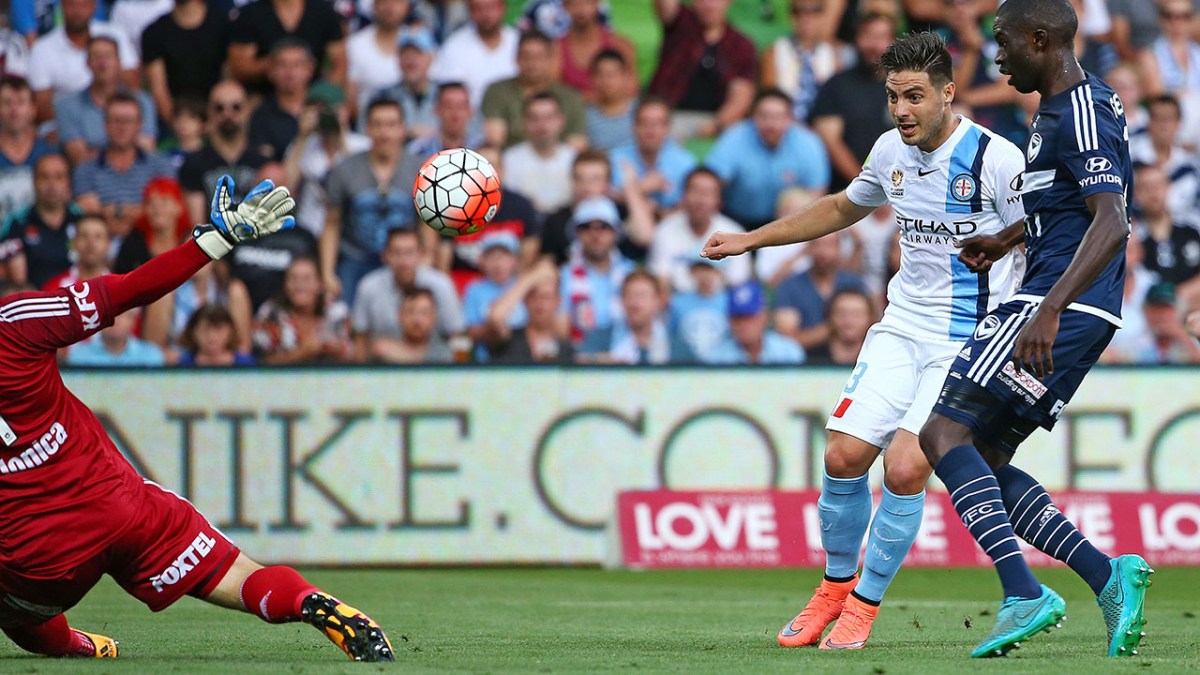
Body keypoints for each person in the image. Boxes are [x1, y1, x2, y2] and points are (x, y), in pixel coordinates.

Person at [701, 32, 1029, 650]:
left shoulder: (997, 159)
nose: (901, 110)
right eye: (892, 97)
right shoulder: (887, 151)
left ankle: (864, 605)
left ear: (948, 93)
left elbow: (1037, 236)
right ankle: (831, 587)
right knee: (842, 457)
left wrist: (1039, 321)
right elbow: (840, 208)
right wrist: (751, 239)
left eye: (914, 96)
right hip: (901, 327)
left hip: (967, 339)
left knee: (906, 469)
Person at [0, 174, 395, 662]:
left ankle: (84, 647)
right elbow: (129, 290)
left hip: (33, 559)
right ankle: (306, 600)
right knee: (236, 575)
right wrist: (215, 240)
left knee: (17, 610)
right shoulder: (13, 324)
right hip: (119, 506)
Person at [919, 0, 1152, 658]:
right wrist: (1007, 235)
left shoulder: (1076, 110)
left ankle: (1023, 592)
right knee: (985, 458)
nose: (997, 56)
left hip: (1056, 304)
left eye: (1004, 43)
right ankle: (1109, 577)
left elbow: (1112, 220)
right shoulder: (1063, 109)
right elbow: (1074, 204)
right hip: (1078, 304)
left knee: (940, 431)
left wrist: (1048, 306)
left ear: (1040, 39)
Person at [320, 98, 423, 304]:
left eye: (391, 125)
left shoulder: (421, 170)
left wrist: (428, 258)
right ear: (367, 129)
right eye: (377, 125)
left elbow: (427, 223)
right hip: (355, 259)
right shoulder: (345, 170)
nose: (384, 133)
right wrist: (327, 273)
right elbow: (331, 224)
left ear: (403, 129)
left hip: (404, 260)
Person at [705, 88, 831, 230]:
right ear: (753, 117)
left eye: (778, 117)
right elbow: (711, 183)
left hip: (786, 224)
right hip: (735, 219)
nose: (771, 124)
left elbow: (817, 193)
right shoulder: (734, 137)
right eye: (764, 116)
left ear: (790, 119)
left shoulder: (808, 143)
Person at [71, 92, 175, 248]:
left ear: (139, 125)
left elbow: (166, 215)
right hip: (102, 248)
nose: (122, 127)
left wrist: (114, 211)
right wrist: (142, 212)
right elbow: (89, 215)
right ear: (105, 124)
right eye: (116, 121)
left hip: (150, 247)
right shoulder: (86, 169)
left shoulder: (161, 166)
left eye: (128, 121)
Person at [646, 0, 756, 140]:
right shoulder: (679, 22)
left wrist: (717, 124)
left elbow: (741, 96)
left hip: (715, 120)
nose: (709, 5)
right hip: (671, 117)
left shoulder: (740, 45)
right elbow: (665, 5)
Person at [810, 12, 895, 191]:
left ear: (892, 42)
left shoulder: (905, 86)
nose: (873, 44)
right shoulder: (836, 85)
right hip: (849, 193)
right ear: (856, 39)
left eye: (880, 37)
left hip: (903, 192)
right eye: (867, 36)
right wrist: (867, 187)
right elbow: (830, 141)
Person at [350, 227, 464, 359]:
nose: (404, 262)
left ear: (421, 255)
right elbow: (360, 337)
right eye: (397, 253)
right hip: (382, 368)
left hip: (436, 367)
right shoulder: (368, 287)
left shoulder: (442, 285)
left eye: (409, 253)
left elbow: (457, 335)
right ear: (385, 256)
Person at [283, 81, 370, 237]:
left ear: (344, 110)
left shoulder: (362, 145)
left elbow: (360, 188)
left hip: (350, 231)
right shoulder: (302, 145)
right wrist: (302, 136)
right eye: (315, 109)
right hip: (309, 228)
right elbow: (287, 186)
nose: (322, 114)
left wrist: (342, 133)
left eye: (326, 108)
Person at [27, 0, 138, 122]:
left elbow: (132, 85)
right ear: (61, 7)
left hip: (116, 119)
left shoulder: (115, 35)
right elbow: (41, 105)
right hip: (64, 122)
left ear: (94, 7)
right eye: (71, 5)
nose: (77, 12)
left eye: (83, 5)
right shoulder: (42, 48)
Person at [179, 80, 272, 226]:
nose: (228, 114)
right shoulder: (194, 163)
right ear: (209, 112)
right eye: (219, 108)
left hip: (256, 245)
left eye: (236, 107)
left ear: (247, 111)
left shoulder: (264, 162)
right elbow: (196, 224)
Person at [54, 36, 157, 166]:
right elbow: (80, 159)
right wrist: (125, 150)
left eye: (108, 56)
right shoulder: (67, 105)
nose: (103, 63)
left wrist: (95, 151)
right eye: (97, 57)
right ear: (87, 63)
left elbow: (146, 151)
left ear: (119, 62)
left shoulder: (142, 102)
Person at [648, 167, 750, 293]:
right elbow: (660, 283)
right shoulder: (664, 231)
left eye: (707, 193)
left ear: (719, 201)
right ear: (684, 196)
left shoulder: (735, 234)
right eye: (695, 191)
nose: (701, 200)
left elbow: (739, 286)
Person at [481, 30, 587, 150]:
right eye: (526, 56)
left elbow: (577, 144)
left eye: (539, 57)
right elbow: (494, 141)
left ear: (550, 59)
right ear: (516, 58)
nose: (532, 63)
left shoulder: (570, 97)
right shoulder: (497, 92)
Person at [141, 0, 232, 127]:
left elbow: (229, 80)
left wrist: (214, 122)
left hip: (218, 117)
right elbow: (159, 92)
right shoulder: (154, 32)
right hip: (174, 122)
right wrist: (182, 126)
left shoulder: (224, 26)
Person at [559, 195, 635, 344]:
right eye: (586, 227)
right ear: (577, 233)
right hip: (579, 359)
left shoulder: (631, 274)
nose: (596, 234)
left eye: (604, 226)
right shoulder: (563, 276)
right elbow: (559, 328)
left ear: (615, 232)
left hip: (626, 358)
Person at [761, 0, 853, 123]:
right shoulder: (775, 51)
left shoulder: (832, 56)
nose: (806, 17)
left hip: (821, 126)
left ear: (823, 16)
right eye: (798, 11)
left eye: (815, 10)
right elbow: (770, 97)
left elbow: (837, 100)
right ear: (791, 17)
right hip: (782, 124)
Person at [773, 232, 867, 352]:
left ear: (839, 248)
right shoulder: (790, 286)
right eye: (817, 244)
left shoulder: (853, 283)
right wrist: (835, 326)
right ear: (808, 248)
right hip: (806, 363)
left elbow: (871, 325)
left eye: (830, 244)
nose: (823, 252)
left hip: (854, 359)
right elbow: (786, 341)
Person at [252, 256, 354, 364]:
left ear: (320, 284)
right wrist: (301, 353)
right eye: (293, 278)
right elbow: (262, 363)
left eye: (306, 279)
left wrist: (337, 351)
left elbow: (357, 357)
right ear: (285, 284)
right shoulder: (270, 313)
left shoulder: (337, 312)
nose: (299, 285)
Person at [227, 0, 346, 91]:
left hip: (312, 99)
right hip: (263, 99)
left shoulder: (323, 12)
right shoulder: (250, 14)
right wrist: (279, 64)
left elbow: (340, 65)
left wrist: (323, 95)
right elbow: (239, 68)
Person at [0, 154, 81, 289]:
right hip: (32, 302)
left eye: (59, 177)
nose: (52, 184)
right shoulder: (17, 222)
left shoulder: (81, 220)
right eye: (44, 177)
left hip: (77, 302)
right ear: (34, 182)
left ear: (69, 182)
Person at [578, 270, 694, 364]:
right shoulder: (600, 338)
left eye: (641, 296)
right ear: (622, 301)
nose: (634, 303)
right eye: (629, 295)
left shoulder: (677, 347)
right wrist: (600, 361)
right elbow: (579, 362)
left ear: (658, 302)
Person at [609, 96, 697, 213]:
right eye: (644, 123)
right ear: (633, 127)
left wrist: (659, 211)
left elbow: (692, 203)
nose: (650, 130)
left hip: (671, 222)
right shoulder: (616, 158)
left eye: (657, 123)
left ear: (668, 128)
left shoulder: (686, 162)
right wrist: (644, 187)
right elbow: (610, 197)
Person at [428, 0, 519, 109]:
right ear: (470, 11)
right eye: (479, 9)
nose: (486, 14)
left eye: (491, 8)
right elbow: (449, 92)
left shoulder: (518, 41)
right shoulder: (454, 46)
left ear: (503, 8)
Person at [501, 93, 578, 216]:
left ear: (561, 121)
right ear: (524, 122)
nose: (542, 126)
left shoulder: (575, 159)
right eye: (534, 118)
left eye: (549, 117)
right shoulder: (509, 160)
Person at [487, 261, 575, 363]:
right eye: (533, 296)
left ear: (557, 301)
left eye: (546, 297)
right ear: (525, 300)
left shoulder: (565, 346)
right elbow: (496, 317)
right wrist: (531, 278)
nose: (539, 303)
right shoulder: (510, 338)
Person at [0, 76, 57, 226]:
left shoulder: (50, 154)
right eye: (7, 103)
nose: (14, 110)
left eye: (20, 103)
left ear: (33, 109)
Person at [704, 279, 805, 364]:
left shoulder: (788, 352)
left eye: (749, 317)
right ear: (729, 320)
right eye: (737, 318)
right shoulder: (715, 358)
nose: (743, 324)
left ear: (764, 317)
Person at [247, 38, 315, 162]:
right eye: (282, 65)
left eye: (297, 65)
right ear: (271, 71)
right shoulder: (261, 117)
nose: (290, 73)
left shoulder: (321, 107)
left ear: (309, 69)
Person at [1133, 164, 1200, 288]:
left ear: (1168, 186)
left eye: (1158, 185)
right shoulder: (1133, 236)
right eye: (1146, 187)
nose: (1153, 192)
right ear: (1136, 194)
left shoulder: (1193, 226)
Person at [462, 230, 525, 361]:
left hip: (522, 359)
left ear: (515, 260)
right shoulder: (475, 290)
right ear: (482, 261)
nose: (498, 264)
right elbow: (470, 332)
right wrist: (494, 329)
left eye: (504, 256)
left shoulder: (523, 286)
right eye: (492, 257)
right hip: (486, 361)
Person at [556, 0, 636, 100]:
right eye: (574, 4)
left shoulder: (620, 45)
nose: (581, 10)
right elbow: (554, 91)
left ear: (597, 4)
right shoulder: (555, 49)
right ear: (565, 7)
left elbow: (631, 89)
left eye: (587, 3)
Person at [367, 29, 439, 138]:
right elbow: (364, 136)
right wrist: (405, 132)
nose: (411, 60)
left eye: (417, 53)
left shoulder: (447, 96)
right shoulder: (381, 96)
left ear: (430, 58)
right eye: (405, 53)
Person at [345, 0, 408, 124]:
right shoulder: (356, 45)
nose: (390, 7)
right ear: (374, 6)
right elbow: (350, 99)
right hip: (367, 127)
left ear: (406, 6)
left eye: (397, 2)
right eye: (384, 2)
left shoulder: (419, 40)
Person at [113, 176, 191, 274]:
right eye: (151, 203)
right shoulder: (133, 243)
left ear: (179, 207)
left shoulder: (188, 242)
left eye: (164, 202)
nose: (157, 209)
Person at [368, 286, 454, 363]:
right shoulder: (382, 348)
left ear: (434, 318)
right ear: (399, 315)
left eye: (424, 313)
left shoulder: (445, 354)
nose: (417, 320)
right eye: (410, 312)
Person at [667, 260, 729, 362]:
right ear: (691, 272)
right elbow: (672, 335)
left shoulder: (727, 301)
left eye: (709, 269)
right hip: (686, 364)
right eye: (699, 270)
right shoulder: (677, 302)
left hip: (721, 365)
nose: (704, 275)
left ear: (718, 272)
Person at [65, 308, 165, 366]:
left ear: (133, 321)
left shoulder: (151, 356)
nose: (116, 320)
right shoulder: (79, 355)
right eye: (110, 314)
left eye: (123, 315)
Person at [805, 288, 875, 365]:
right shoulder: (811, 358)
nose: (849, 320)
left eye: (857, 314)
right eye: (842, 313)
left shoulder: (879, 357)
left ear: (870, 318)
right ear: (829, 317)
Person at [584, 49, 636, 151]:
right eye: (601, 74)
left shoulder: (641, 111)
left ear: (625, 77)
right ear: (592, 78)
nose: (607, 80)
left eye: (613, 74)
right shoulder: (585, 116)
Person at [41, 213, 110, 290]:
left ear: (108, 243)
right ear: (74, 242)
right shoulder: (55, 286)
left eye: (98, 237)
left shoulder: (117, 287)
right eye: (84, 236)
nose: (91, 244)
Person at [176, 303, 256, 367]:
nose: (212, 336)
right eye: (206, 329)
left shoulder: (246, 364)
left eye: (219, 329)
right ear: (193, 331)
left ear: (230, 331)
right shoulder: (183, 364)